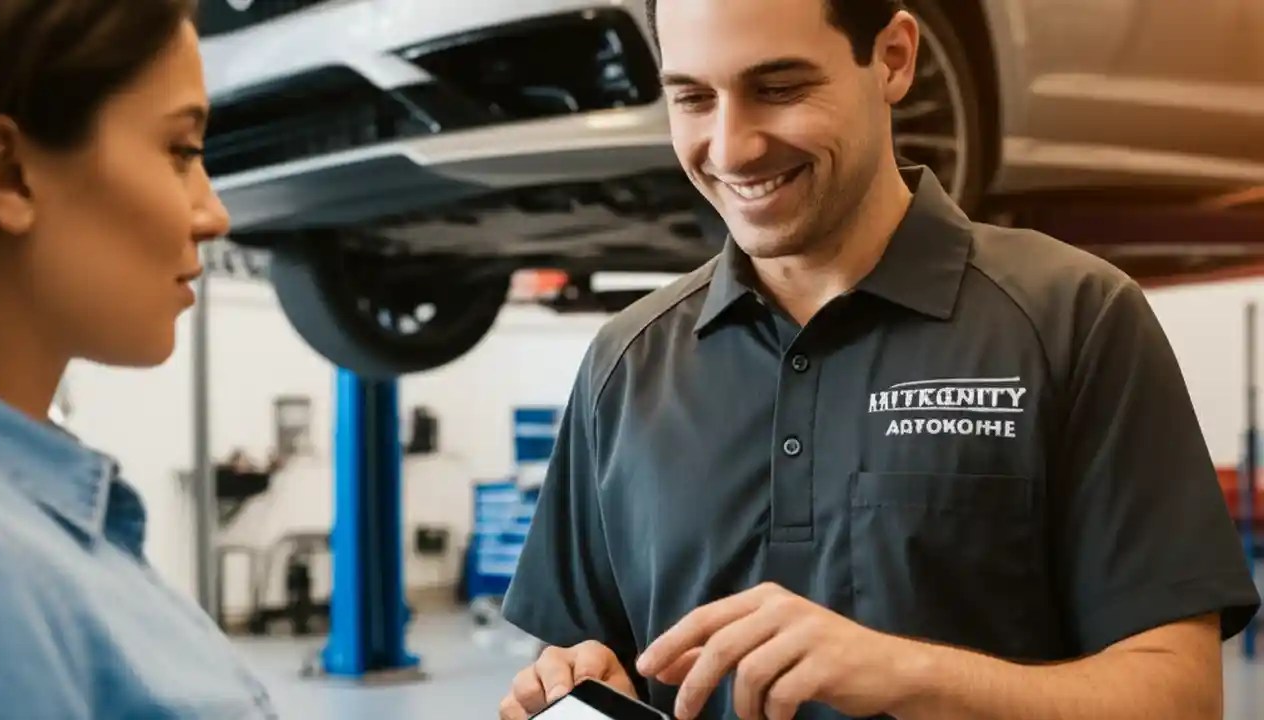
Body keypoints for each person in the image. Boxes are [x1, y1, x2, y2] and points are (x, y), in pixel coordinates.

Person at [498, 0, 1262, 718]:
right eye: (693, 98)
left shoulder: (1074, 320)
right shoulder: (626, 364)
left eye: (780, 86)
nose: (730, 146)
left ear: (893, 59)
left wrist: (910, 675)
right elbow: (577, 650)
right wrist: (579, 679)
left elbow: (1180, 697)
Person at [0, 1, 276, 717]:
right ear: (11, 174)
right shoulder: (1, 585)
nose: (213, 214)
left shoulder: (46, 530)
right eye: (180, 151)